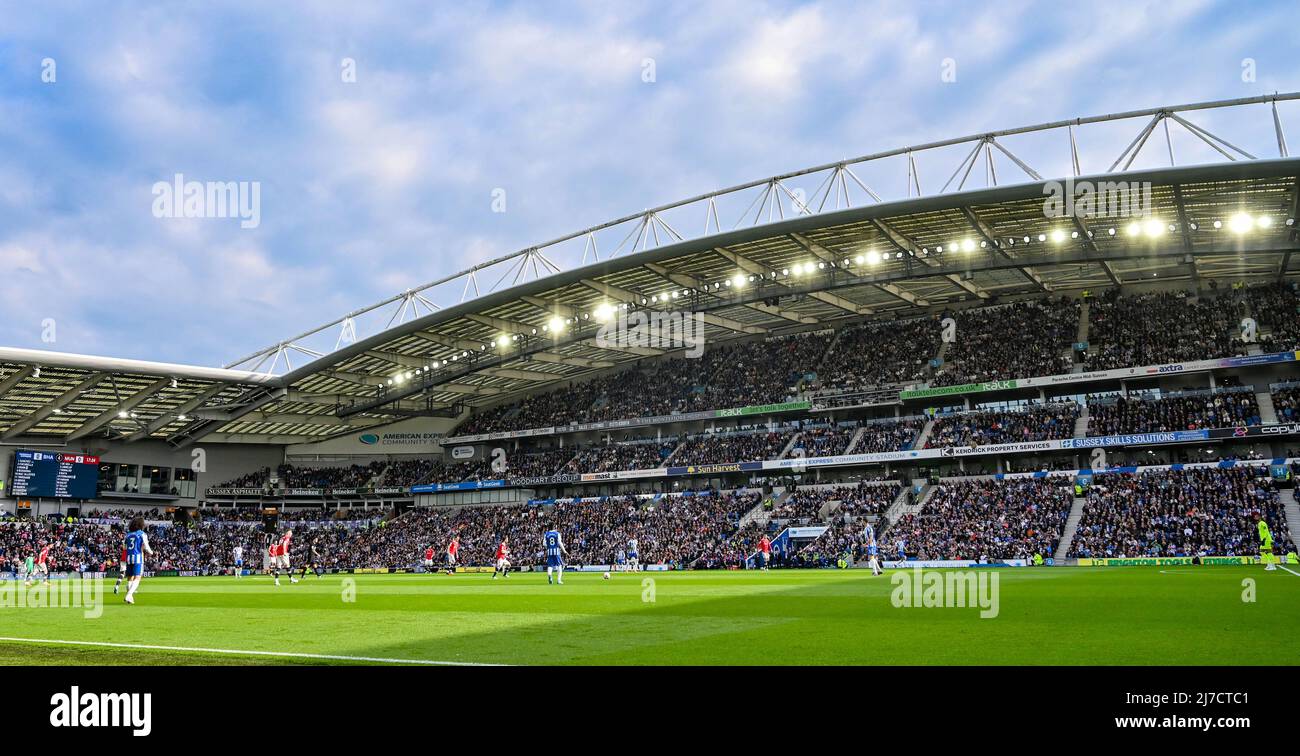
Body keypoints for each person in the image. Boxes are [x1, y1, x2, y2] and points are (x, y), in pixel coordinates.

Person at [123, 517, 153, 605]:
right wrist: (151, 552)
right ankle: (129, 595)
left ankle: (130, 597)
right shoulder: (142, 534)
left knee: (130, 578)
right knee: (137, 577)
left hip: (128, 557)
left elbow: (124, 547)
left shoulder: (128, 535)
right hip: (137, 558)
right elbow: (146, 546)